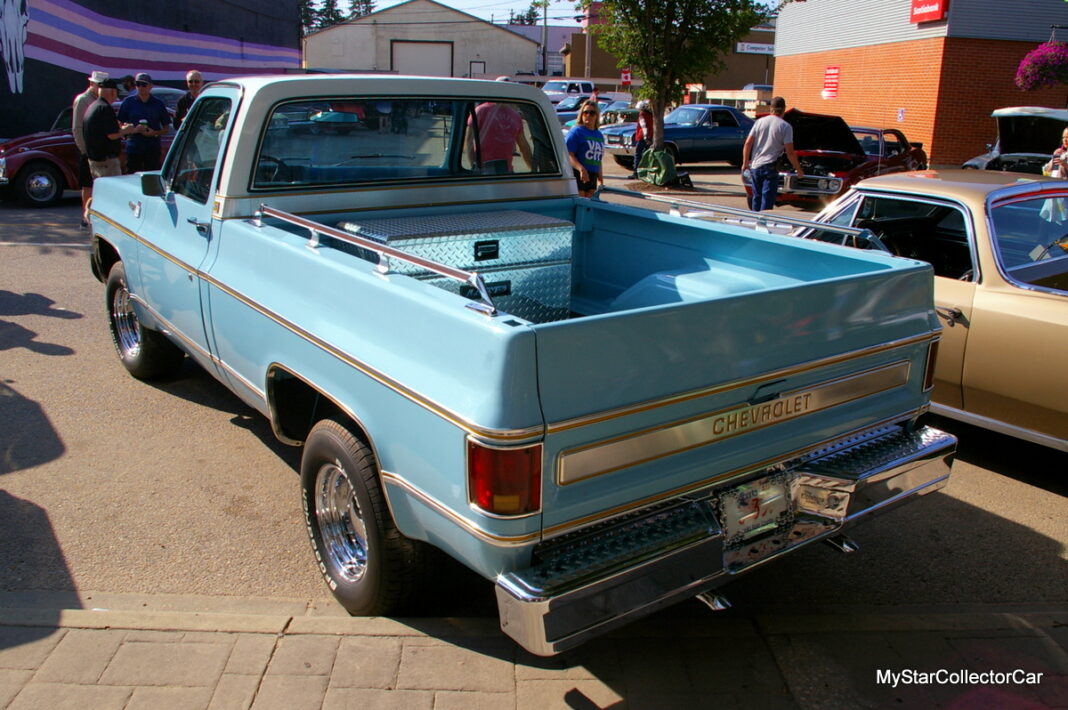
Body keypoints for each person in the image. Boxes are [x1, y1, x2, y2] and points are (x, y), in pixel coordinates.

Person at [740, 96, 804, 211]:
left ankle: (755, 222)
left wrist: (745, 163)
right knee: (767, 199)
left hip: (755, 166)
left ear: (771, 108)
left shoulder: (759, 122)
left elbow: (748, 143)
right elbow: (790, 152)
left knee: (756, 197)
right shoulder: (785, 126)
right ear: (784, 109)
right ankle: (763, 223)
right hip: (771, 167)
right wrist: (798, 169)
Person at [82, 78, 135, 207]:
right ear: (111, 92)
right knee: (113, 198)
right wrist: (126, 130)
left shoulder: (92, 107)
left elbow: (104, 131)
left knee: (101, 195)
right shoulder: (105, 108)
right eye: (116, 92)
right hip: (106, 162)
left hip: (95, 160)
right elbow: (111, 135)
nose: (116, 96)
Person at [117, 72, 171, 173]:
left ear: (150, 86)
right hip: (134, 148)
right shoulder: (128, 102)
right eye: (138, 84)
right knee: (132, 179)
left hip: (152, 149)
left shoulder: (158, 104)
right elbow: (120, 124)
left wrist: (153, 132)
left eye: (144, 84)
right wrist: (132, 129)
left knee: (152, 180)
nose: (140, 87)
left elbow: (166, 129)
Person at [73, 70, 107, 226]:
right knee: (87, 184)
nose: (101, 88)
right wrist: (84, 150)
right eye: (99, 85)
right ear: (92, 84)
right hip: (88, 149)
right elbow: (77, 127)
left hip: (100, 148)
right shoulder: (83, 100)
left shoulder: (102, 100)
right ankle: (85, 217)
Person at [467, 100, 532, 174]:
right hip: (500, 172)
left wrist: (474, 170)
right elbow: (524, 147)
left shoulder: (480, 110)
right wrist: (535, 172)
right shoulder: (515, 116)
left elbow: (469, 142)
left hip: (489, 171)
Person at [565, 99, 604, 197]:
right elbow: (569, 154)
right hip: (578, 174)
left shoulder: (599, 135)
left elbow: (598, 159)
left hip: (592, 175)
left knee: (589, 206)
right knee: (581, 203)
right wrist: (581, 169)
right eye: (585, 112)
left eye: (592, 113)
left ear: (596, 116)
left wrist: (600, 178)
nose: (588, 115)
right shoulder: (576, 132)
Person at [630, 100, 654, 179]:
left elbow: (644, 126)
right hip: (649, 137)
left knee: (638, 154)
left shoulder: (642, 115)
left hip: (642, 137)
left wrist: (645, 137)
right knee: (646, 155)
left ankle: (636, 173)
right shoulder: (650, 115)